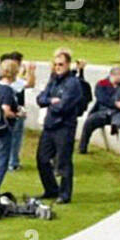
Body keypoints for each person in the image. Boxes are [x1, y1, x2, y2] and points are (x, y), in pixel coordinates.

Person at [35, 49, 86, 204]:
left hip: (65, 126)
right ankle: (51, 189)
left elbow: (64, 106)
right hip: (50, 125)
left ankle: (64, 194)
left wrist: (52, 102)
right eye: (56, 64)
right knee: (42, 159)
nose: (58, 67)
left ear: (68, 64)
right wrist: (52, 100)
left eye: (61, 64)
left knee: (63, 161)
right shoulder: (53, 80)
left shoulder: (73, 83)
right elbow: (41, 99)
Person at [78, 66, 120, 154]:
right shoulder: (102, 84)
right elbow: (101, 98)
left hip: (118, 113)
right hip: (102, 112)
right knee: (89, 122)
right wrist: (115, 104)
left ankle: (115, 128)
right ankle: (82, 147)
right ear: (112, 75)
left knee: (119, 121)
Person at [0, 58, 23, 190]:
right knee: (1, 161)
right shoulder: (7, 90)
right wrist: (17, 114)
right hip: (3, 128)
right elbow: (5, 110)